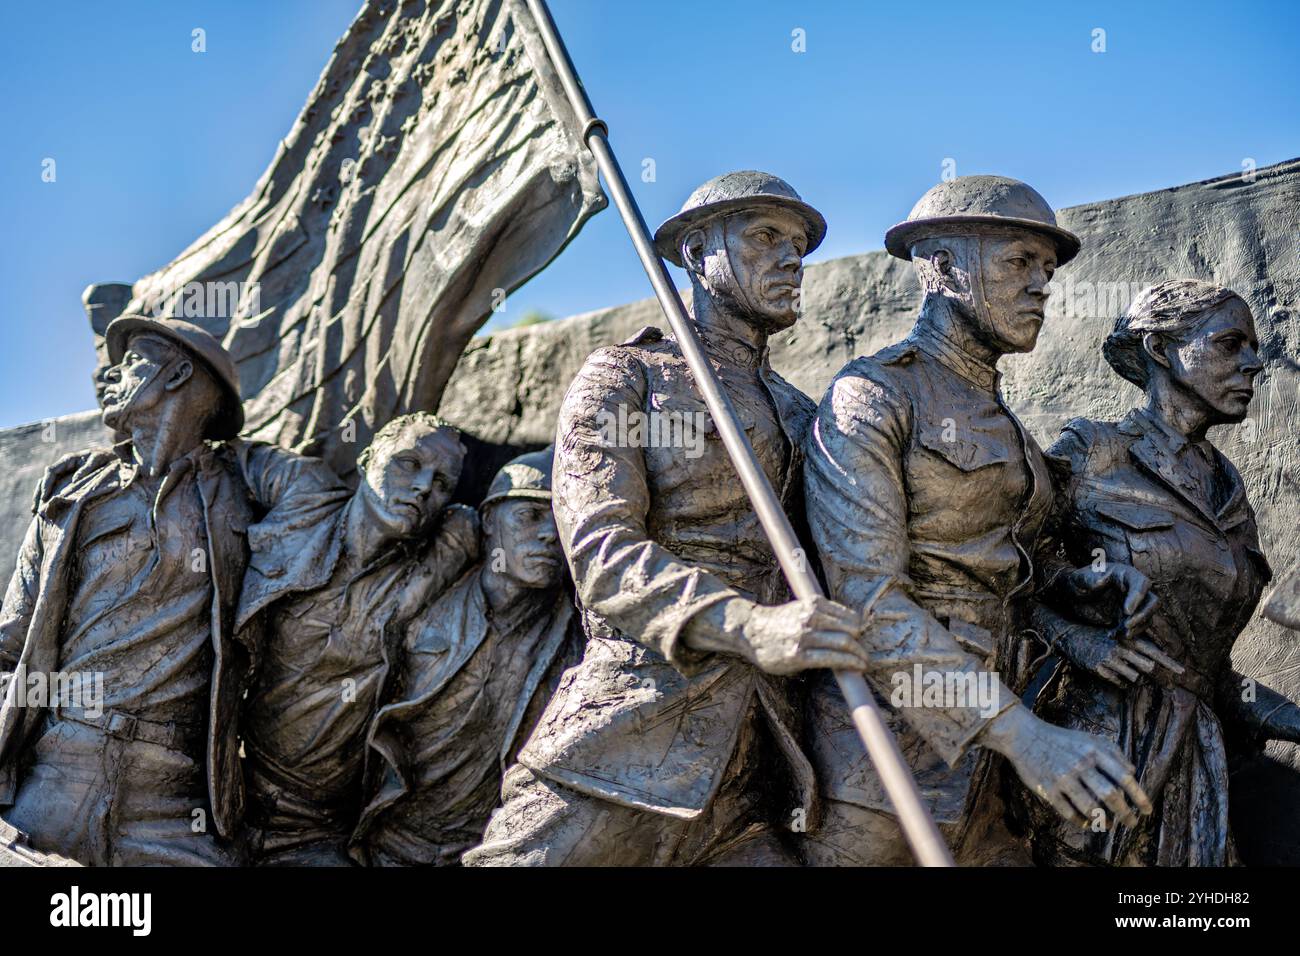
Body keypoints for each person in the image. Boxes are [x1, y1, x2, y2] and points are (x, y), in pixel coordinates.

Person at [465, 172, 870, 866]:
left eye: (798, 244)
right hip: (622, 742)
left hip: (758, 771)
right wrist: (749, 625)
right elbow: (601, 551)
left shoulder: (807, 416)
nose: (790, 258)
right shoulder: (625, 376)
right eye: (765, 237)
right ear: (693, 254)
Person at [801, 176, 1153, 866]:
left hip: (1006, 759)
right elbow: (866, 601)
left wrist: (1077, 584)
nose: (1041, 285)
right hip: (888, 758)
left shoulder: (1007, 424)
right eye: (1018, 261)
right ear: (939, 266)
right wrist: (1021, 734)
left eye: (1047, 270)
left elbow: (1006, 570)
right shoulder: (873, 394)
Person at [0, 315, 348, 865]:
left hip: (172, 796)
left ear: (179, 372)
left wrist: (227, 448)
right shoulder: (72, 491)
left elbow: (321, 497)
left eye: (132, 363)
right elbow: (10, 642)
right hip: (58, 773)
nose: (111, 377)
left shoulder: (236, 492)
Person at [1023, 280, 1300, 865]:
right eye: (1230, 344)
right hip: (1098, 749)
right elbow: (1010, 576)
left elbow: (1207, 669)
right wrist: (1077, 639)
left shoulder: (1229, 491)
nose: (1253, 363)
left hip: (1196, 763)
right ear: (1158, 349)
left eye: (1253, 347)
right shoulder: (1094, 452)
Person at [241, 413, 478, 865]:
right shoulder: (304, 496)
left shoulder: (438, 561)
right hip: (222, 787)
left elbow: (492, 528)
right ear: (368, 458)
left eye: (443, 482)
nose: (425, 486)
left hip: (319, 827)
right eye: (409, 463)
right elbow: (220, 455)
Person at [353, 447, 581, 866]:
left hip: (495, 852)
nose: (550, 534)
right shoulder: (421, 610)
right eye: (529, 516)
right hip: (388, 848)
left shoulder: (582, 646)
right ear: (490, 522)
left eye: (562, 519)